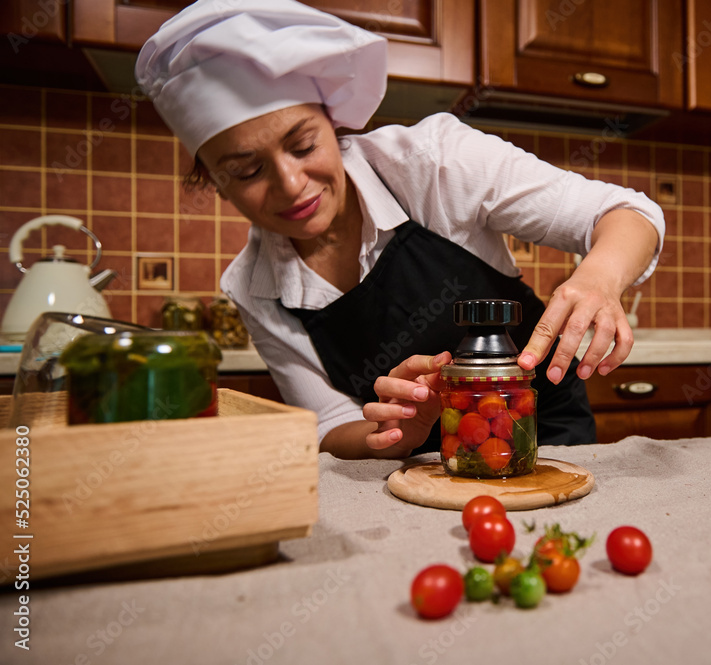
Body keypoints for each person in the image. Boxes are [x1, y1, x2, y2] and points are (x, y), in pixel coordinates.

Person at [136, 0, 665, 459]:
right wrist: (395, 429)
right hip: (403, 476)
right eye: (247, 171)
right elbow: (326, 424)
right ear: (216, 183)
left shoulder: (433, 162)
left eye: (303, 145)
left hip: (548, 436)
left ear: (333, 122)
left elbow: (627, 214)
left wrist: (599, 277)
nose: (292, 184)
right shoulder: (254, 287)